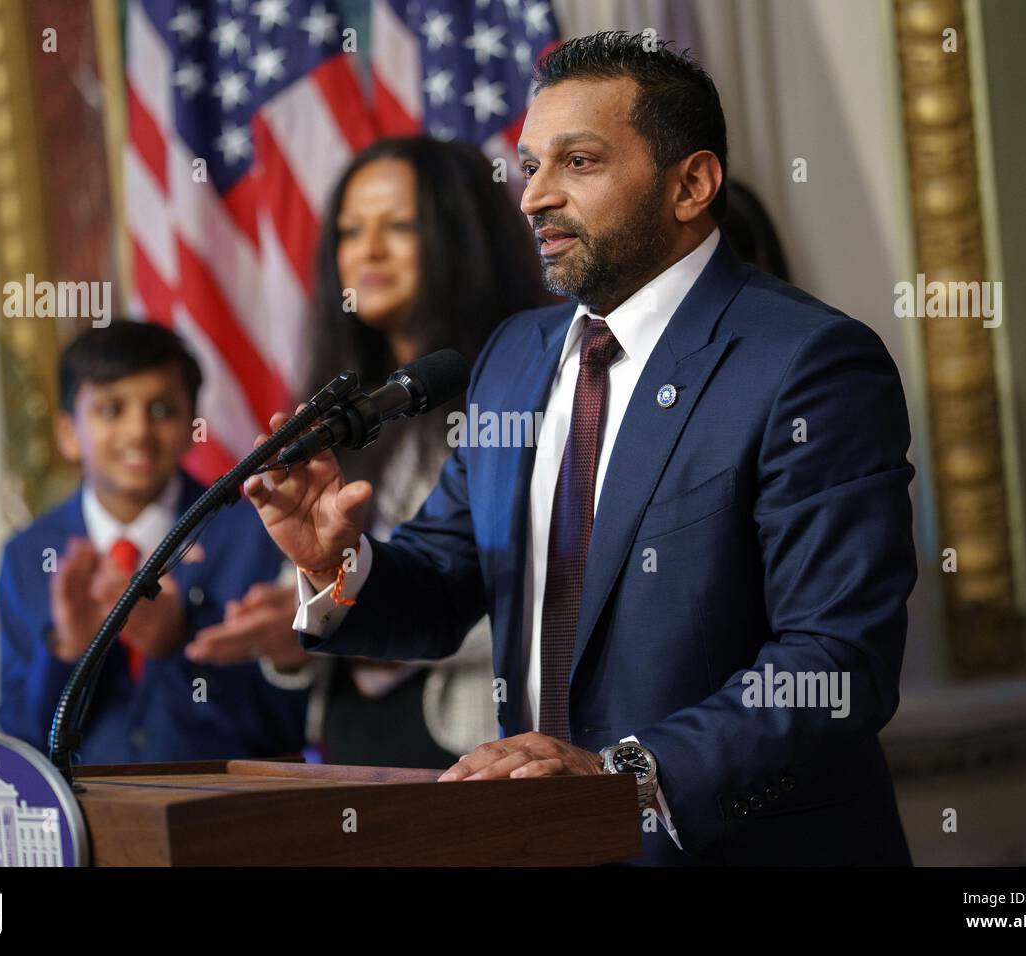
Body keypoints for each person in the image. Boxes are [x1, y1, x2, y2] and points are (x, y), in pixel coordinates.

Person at [244, 32, 918, 866]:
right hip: (538, 845)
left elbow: (836, 661)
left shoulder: (805, 362)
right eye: (530, 167)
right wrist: (338, 565)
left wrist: (623, 774)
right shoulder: (513, 357)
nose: (534, 199)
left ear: (692, 184)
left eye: (580, 163)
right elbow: (453, 574)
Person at [186, 137, 548, 768]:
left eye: (399, 226)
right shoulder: (334, 409)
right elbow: (312, 579)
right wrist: (295, 622)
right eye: (350, 231)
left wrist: (360, 627)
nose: (368, 251)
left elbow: (540, 594)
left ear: (463, 235)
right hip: (350, 744)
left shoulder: (528, 386)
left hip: (475, 746)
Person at [0, 320, 309, 764]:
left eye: (162, 410)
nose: (138, 431)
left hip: (220, 812)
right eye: (111, 409)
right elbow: (21, 738)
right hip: (83, 818)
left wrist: (177, 644)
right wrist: (67, 651)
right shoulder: (28, 554)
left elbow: (284, 723)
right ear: (68, 432)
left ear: (190, 426)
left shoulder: (253, 533)